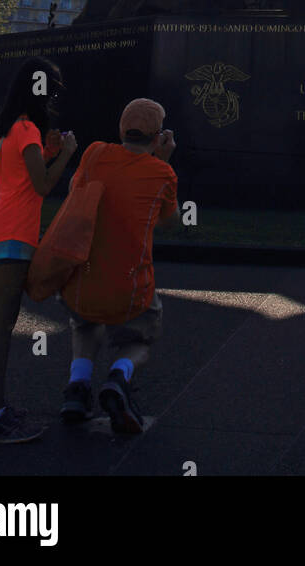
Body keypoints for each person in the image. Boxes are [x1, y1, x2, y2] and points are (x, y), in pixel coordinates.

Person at [0, 56, 76, 445]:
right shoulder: (27, 128)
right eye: (53, 87)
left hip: (3, 224)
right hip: (15, 231)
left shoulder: (9, 127)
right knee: (0, 323)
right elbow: (43, 186)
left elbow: (20, 175)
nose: (53, 95)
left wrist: (46, 154)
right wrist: (65, 153)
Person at [58, 98, 179, 435]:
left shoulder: (94, 153)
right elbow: (171, 221)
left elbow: (76, 190)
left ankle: (77, 387)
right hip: (129, 286)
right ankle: (118, 376)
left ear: (122, 129)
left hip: (82, 277)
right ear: (157, 138)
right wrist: (162, 161)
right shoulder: (162, 173)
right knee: (143, 334)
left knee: (84, 324)